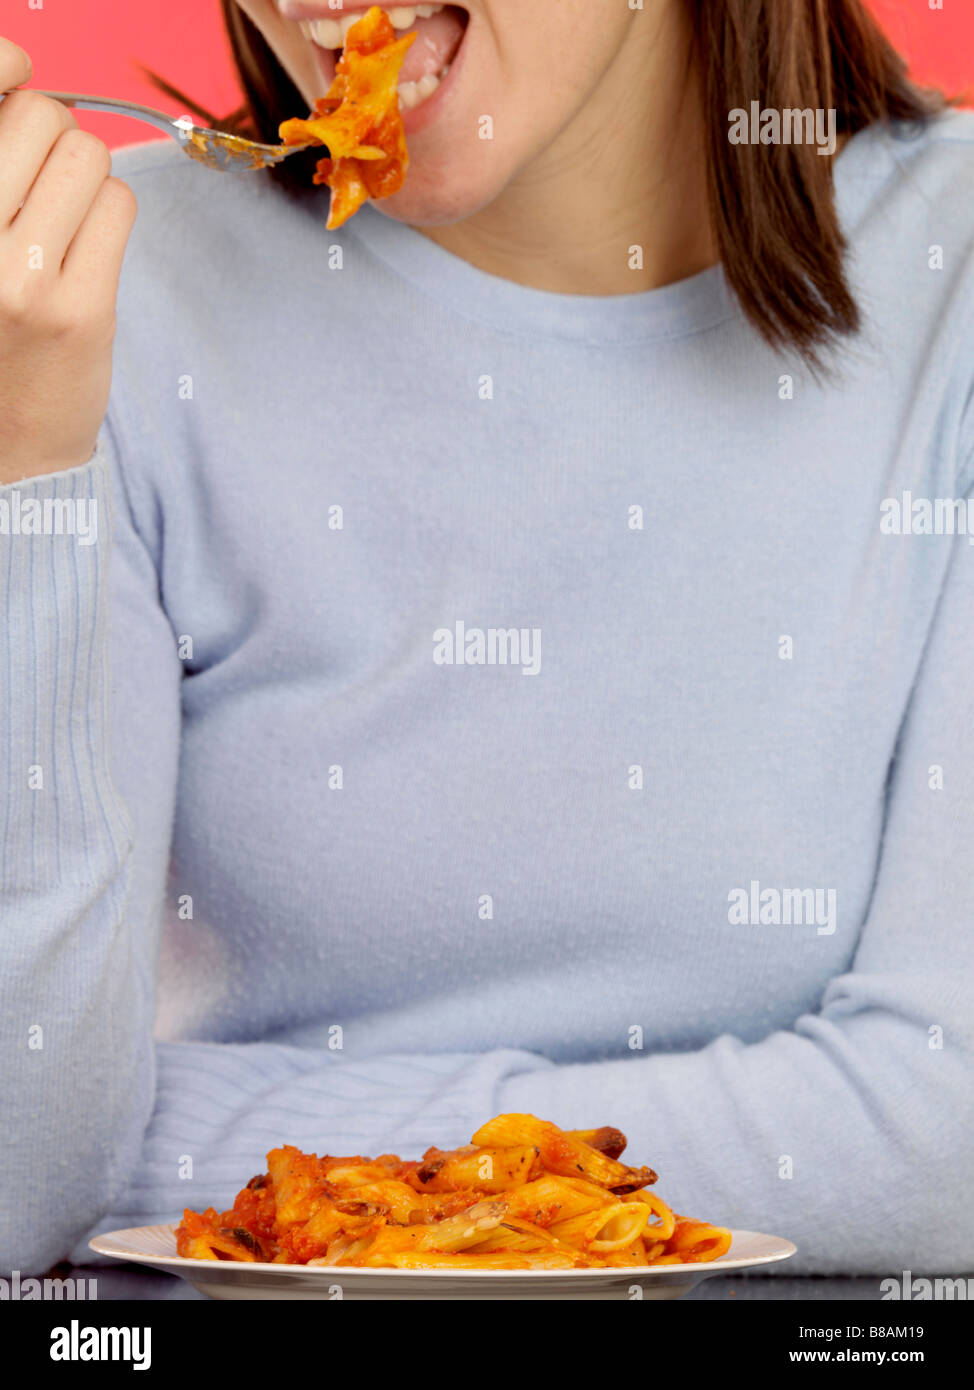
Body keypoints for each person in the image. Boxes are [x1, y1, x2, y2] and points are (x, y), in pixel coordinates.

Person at [1, 0, 972, 1277]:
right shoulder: (61, 311)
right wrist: (25, 476)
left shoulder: (947, 271)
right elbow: (20, 1178)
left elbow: (935, 1144)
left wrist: (164, 1128)